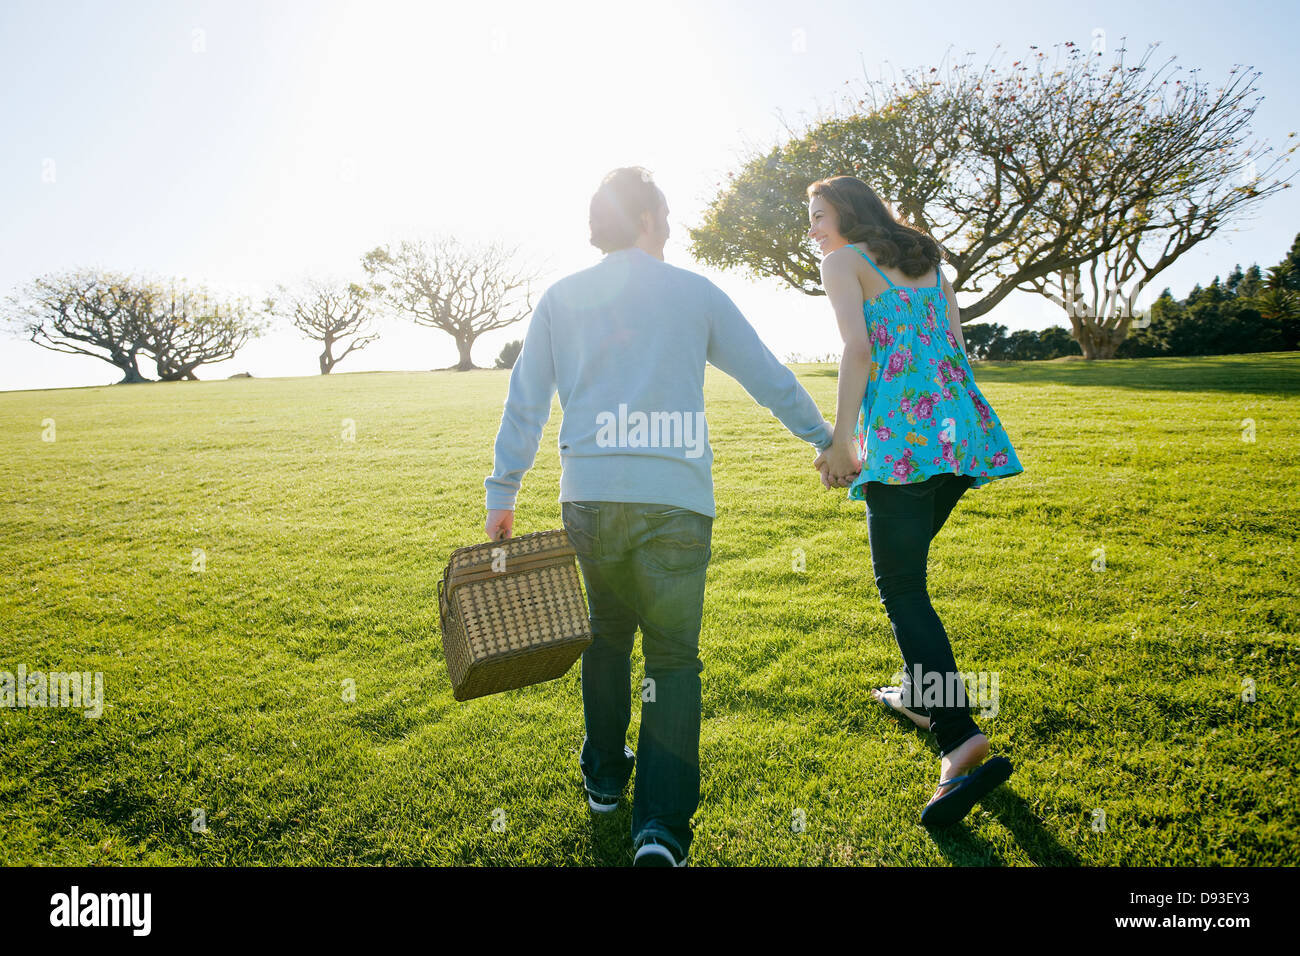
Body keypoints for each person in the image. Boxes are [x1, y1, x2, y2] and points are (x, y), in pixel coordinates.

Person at [484, 166, 838, 866]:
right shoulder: (694, 293)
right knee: (672, 658)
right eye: (666, 214)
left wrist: (504, 492)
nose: (671, 227)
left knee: (608, 642)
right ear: (645, 216)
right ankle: (662, 831)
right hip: (675, 502)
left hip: (589, 498)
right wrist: (825, 439)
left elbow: (525, 399)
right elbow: (767, 375)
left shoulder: (561, 297)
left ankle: (606, 783)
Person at [807, 175, 1023, 826]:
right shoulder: (926, 259)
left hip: (904, 441)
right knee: (909, 570)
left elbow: (858, 348)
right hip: (962, 433)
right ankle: (916, 690)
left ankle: (958, 738)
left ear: (846, 213)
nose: (813, 228)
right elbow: (954, 346)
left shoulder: (841, 262)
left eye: (818, 214)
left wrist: (842, 441)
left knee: (902, 588)